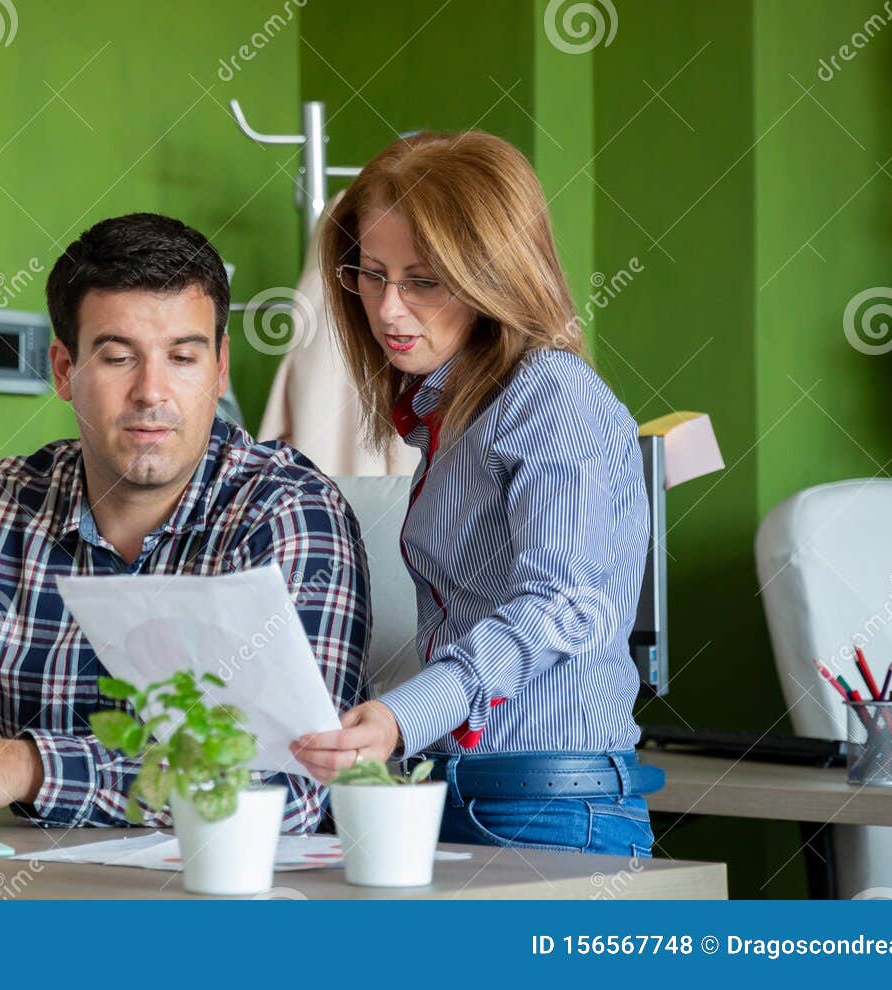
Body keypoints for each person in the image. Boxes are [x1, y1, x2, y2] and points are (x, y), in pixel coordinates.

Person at [0, 212, 371, 833]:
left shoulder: (287, 513)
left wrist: (31, 766)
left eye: (183, 357)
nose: (151, 392)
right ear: (64, 370)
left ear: (219, 368)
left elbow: (291, 785)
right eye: (117, 357)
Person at [289, 132, 660, 857]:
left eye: (424, 281)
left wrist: (404, 716)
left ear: (495, 274)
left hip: (551, 805)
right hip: (464, 789)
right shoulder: (451, 415)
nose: (389, 310)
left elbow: (563, 607)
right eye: (371, 274)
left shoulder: (551, 397)